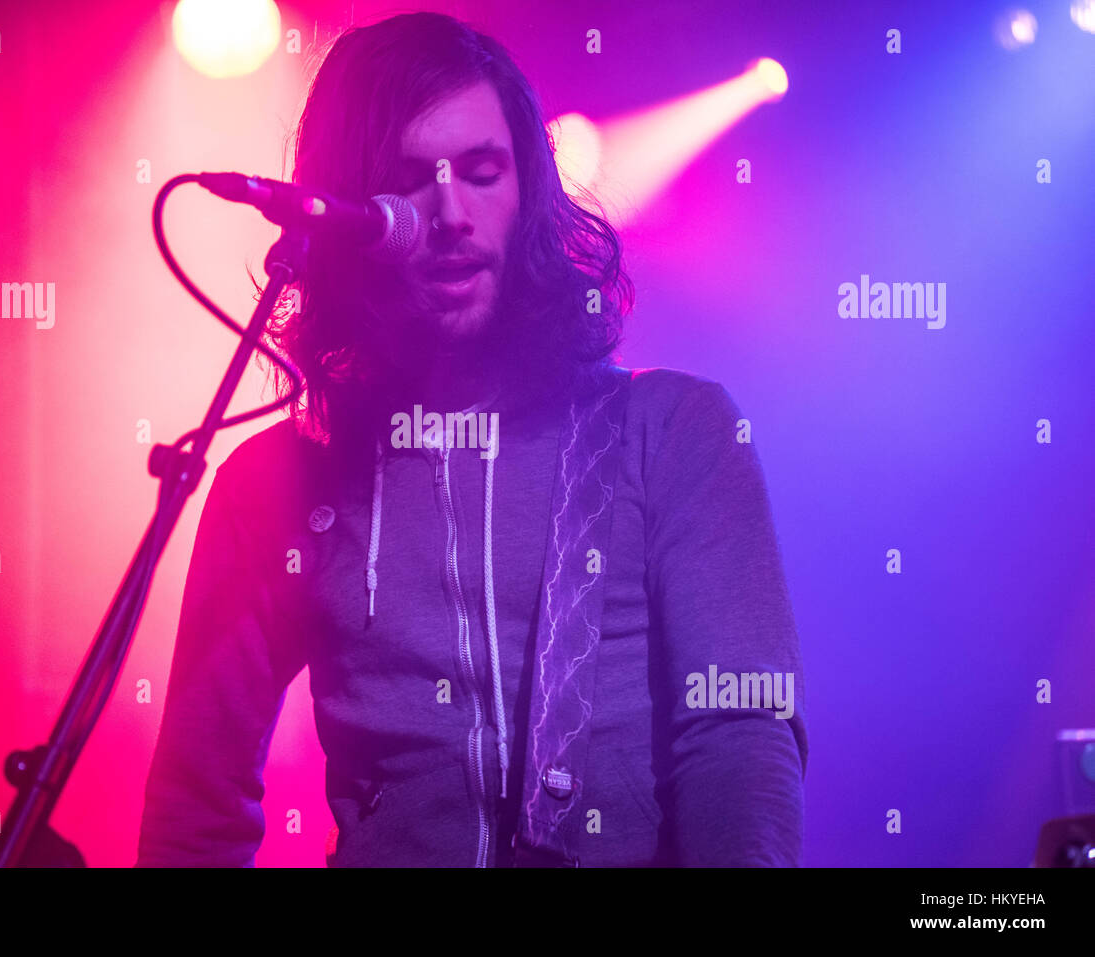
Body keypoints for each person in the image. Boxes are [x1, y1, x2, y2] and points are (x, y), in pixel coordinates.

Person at [137, 11, 807, 868]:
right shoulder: (276, 486)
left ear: (528, 190)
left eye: (484, 172)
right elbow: (195, 807)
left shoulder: (675, 433)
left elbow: (738, 736)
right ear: (343, 215)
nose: (450, 211)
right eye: (408, 182)